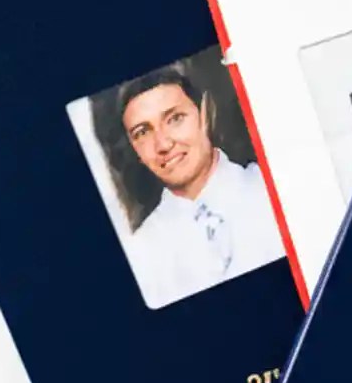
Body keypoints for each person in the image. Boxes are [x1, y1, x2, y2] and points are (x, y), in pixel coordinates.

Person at [109, 67, 285, 308]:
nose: (163, 143)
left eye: (175, 119)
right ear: (135, 150)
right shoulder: (141, 254)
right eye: (143, 132)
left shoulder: (276, 186)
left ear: (205, 113)